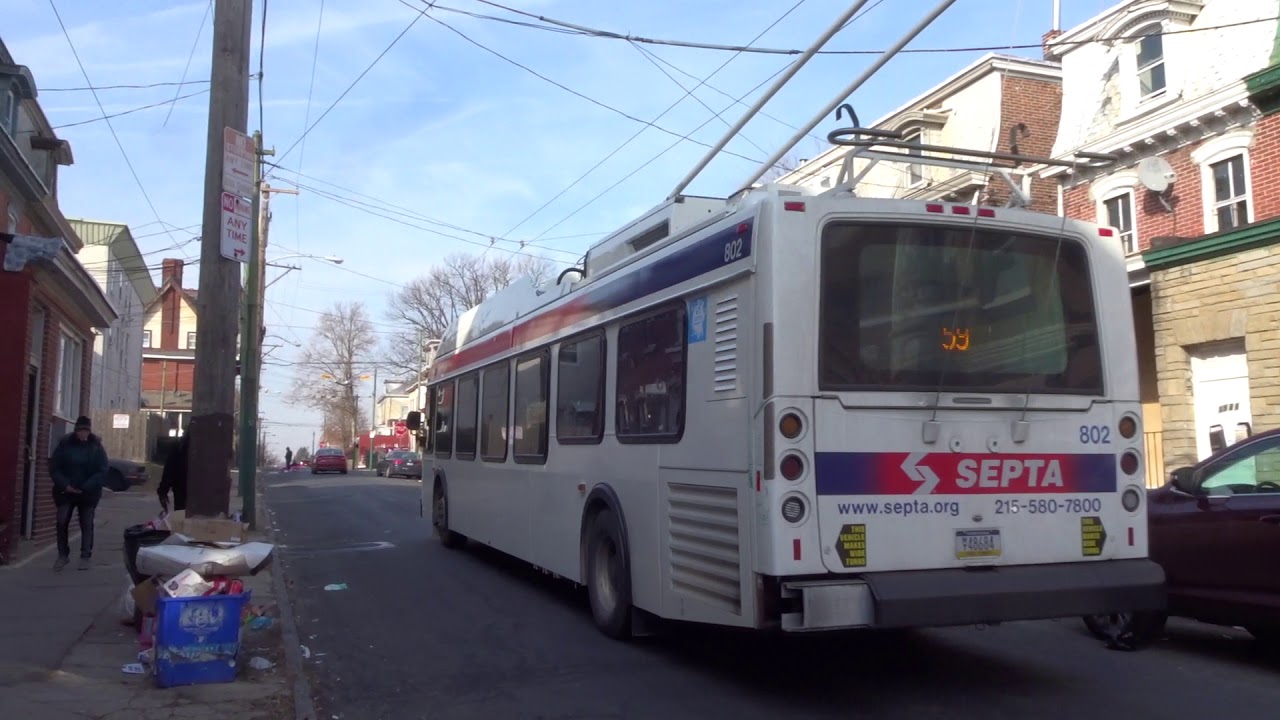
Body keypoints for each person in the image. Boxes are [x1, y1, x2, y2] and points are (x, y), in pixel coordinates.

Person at [50, 416, 108, 571]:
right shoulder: (65, 444)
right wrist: (65, 485)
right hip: (66, 491)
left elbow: (102, 470)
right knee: (62, 521)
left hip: (88, 492)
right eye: (81, 431)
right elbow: (55, 468)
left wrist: (86, 486)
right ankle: (63, 555)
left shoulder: (95, 446)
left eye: (86, 431)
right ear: (76, 431)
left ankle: (85, 556)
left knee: (87, 523)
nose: (83, 434)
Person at [158, 425, 191, 514]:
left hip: (184, 492)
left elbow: (169, 471)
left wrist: (163, 492)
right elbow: (169, 471)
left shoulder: (180, 447)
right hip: (183, 491)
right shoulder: (179, 447)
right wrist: (163, 492)